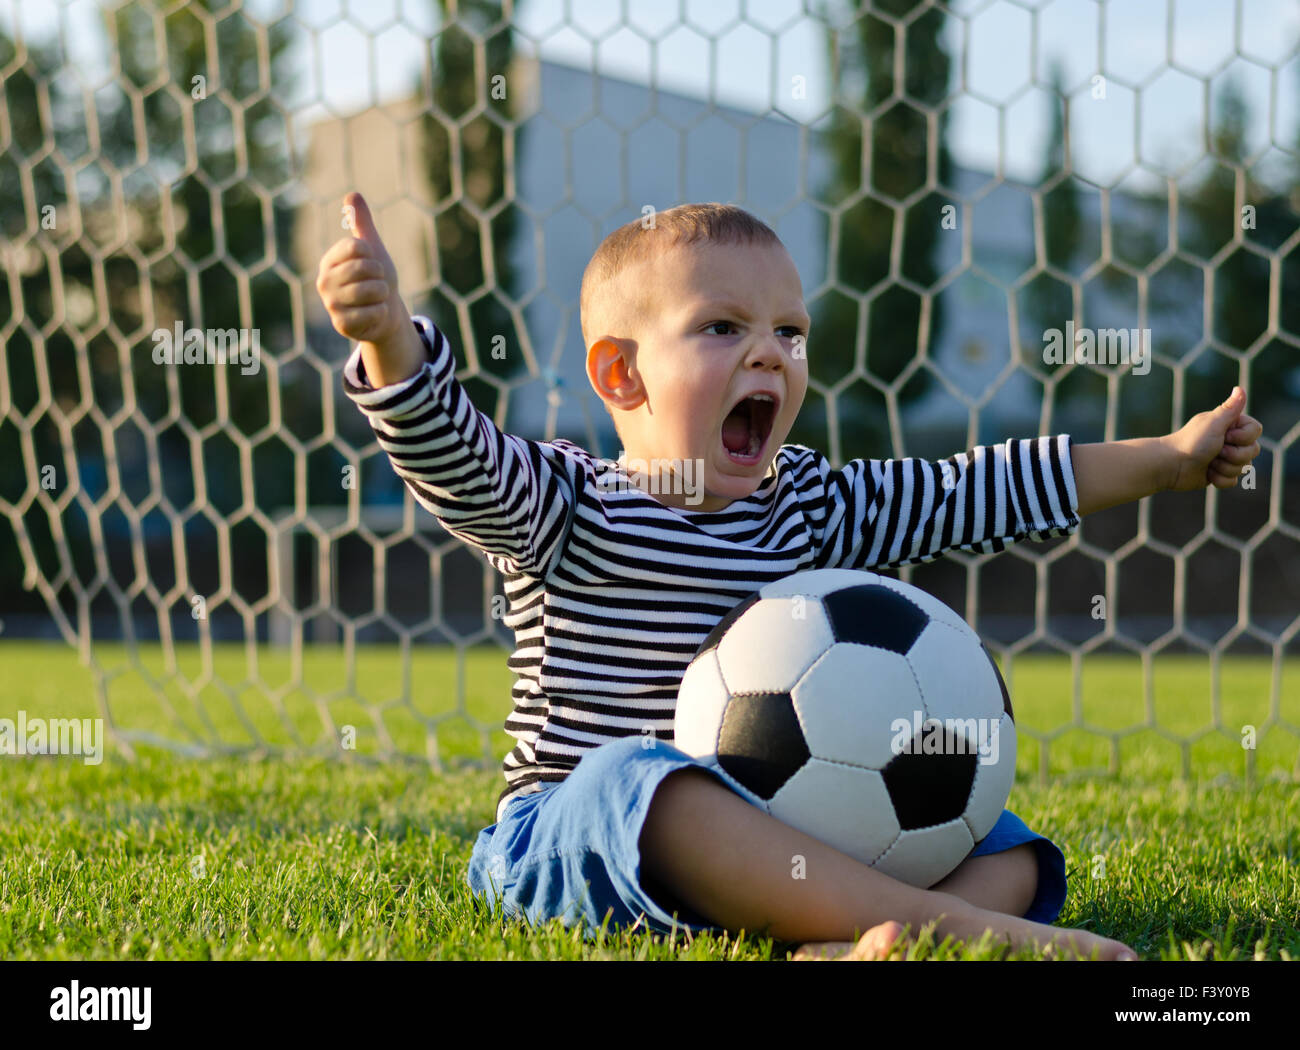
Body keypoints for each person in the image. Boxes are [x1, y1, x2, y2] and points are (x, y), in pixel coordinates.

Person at [317, 193, 1262, 961]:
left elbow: (981, 490)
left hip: (797, 836)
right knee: (646, 780)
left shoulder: (810, 505)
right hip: (581, 838)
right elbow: (456, 457)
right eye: (722, 327)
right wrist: (392, 341)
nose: (771, 351)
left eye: (790, 332)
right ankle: (961, 935)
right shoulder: (569, 504)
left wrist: (1168, 460)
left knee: (1003, 836)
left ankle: (847, 937)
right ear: (620, 376)